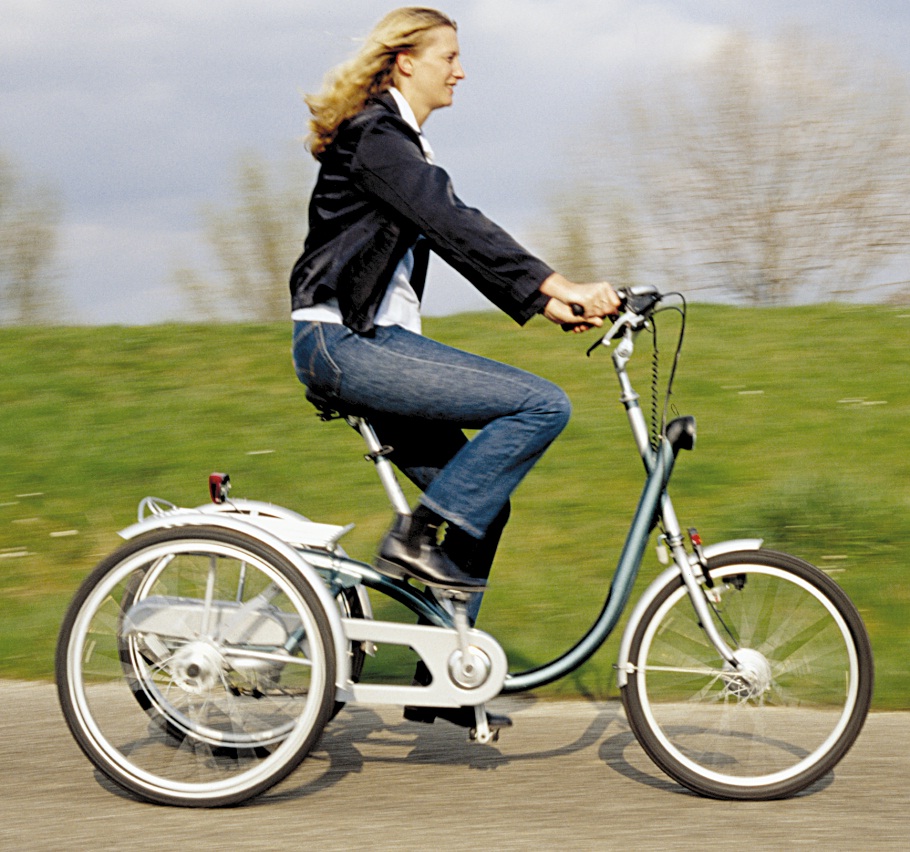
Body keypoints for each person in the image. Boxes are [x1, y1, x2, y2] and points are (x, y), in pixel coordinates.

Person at [290, 7, 619, 728]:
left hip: (376, 346)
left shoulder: (398, 143)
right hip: (344, 345)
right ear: (407, 61)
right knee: (540, 406)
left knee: (483, 503)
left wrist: (542, 303)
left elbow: (454, 233)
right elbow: (453, 220)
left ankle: (435, 677)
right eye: (451, 56)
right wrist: (552, 283)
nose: (461, 70)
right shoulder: (378, 138)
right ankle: (415, 538)